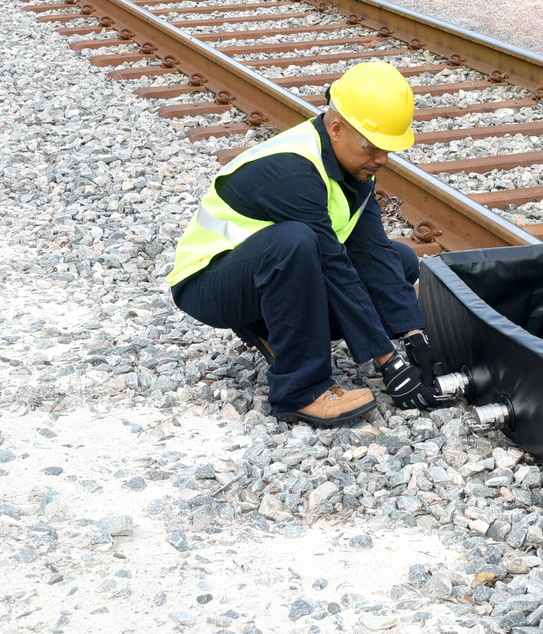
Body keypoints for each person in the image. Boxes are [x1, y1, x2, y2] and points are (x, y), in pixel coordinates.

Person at [166, 60, 440, 427]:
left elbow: (372, 253)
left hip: (263, 275)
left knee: (400, 260)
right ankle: (300, 391)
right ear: (338, 128)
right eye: (374, 147)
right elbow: (334, 267)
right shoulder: (295, 171)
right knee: (295, 241)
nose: (383, 159)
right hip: (209, 283)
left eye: (388, 149)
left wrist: (414, 335)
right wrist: (388, 363)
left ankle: (271, 329)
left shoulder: (351, 166)